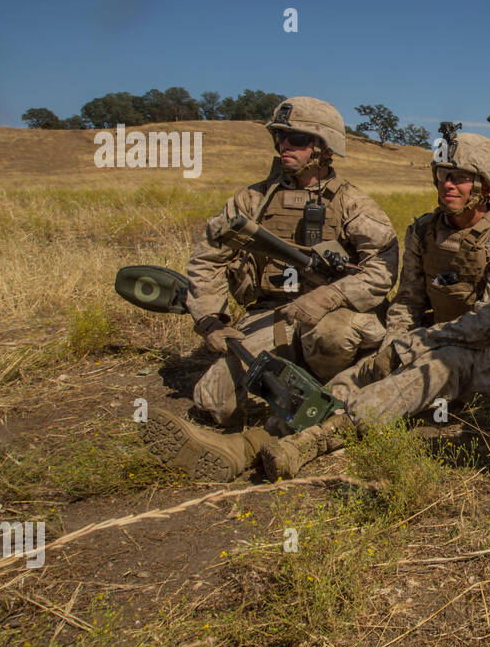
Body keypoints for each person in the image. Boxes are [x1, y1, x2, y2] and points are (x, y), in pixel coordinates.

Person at [257, 127, 490, 480]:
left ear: (484, 186)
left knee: (432, 367)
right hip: (432, 338)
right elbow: (408, 300)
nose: (447, 186)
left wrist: (421, 342)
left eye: (460, 178)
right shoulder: (423, 230)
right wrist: (395, 339)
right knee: (373, 366)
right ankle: (265, 433)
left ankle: (320, 437)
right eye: (442, 176)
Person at [141, 96, 399, 479]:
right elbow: (207, 258)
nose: (284, 148)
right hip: (271, 313)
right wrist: (211, 320)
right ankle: (290, 389)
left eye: (295, 140)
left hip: (333, 314)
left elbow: (384, 264)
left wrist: (331, 295)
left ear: (323, 149)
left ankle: (331, 390)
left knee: (334, 336)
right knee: (213, 403)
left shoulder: (351, 202)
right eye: (280, 138)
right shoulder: (252, 201)